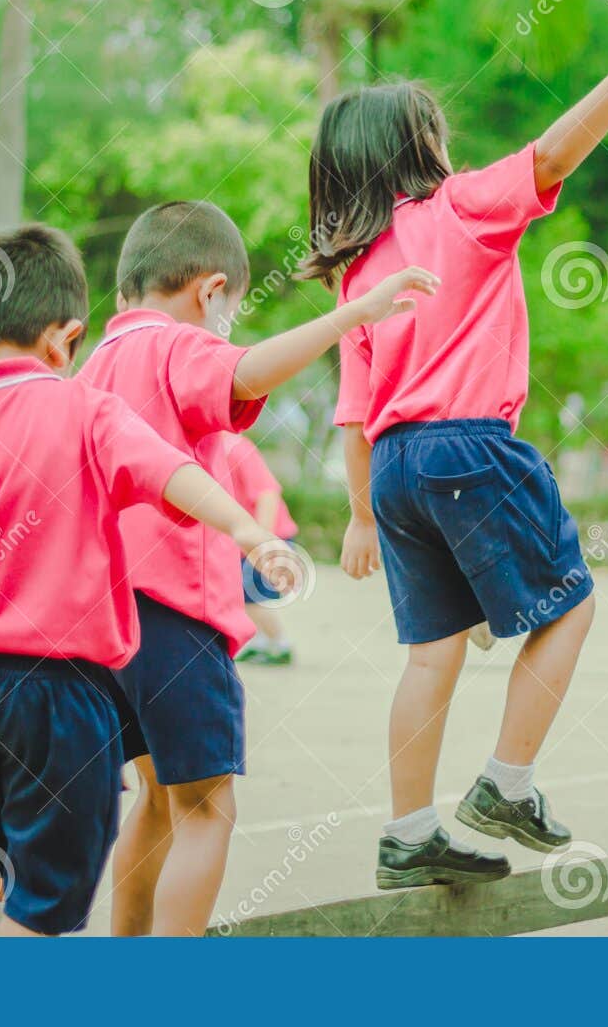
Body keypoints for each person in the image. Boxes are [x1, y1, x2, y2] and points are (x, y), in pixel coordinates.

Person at [306, 18, 608, 889]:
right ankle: (506, 785)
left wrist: (363, 515)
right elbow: (552, 156)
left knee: (432, 650)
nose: (450, 145)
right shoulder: (463, 206)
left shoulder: (358, 271)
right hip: (471, 446)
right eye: (436, 132)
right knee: (571, 606)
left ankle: (407, 833)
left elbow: (356, 414)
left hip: (398, 469)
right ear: (415, 151)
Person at [0, 222, 290, 937]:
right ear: (65, 339)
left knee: (3, 849)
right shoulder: (84, 408)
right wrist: (248, 530)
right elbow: (172, 472)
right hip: (55, 683)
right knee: (52, 892)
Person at [79, 200, 438, 935]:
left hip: (103, 616)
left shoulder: (98, 360)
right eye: (233, 309)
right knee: (209, 808)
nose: (229, 325)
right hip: (174, 613)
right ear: (211, 291)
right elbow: (244, 371)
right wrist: (353, 315)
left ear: (124, 291)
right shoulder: (175, 344)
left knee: (155, 798)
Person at [213, 431, 300, 666]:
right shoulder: (213, 448)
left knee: (249, 598)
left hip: (265, 537)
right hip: (243, 541)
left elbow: (267, 494)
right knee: (241, 597)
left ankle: (280, 643)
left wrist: (263, 542)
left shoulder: (237, 447)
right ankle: (261, 640)